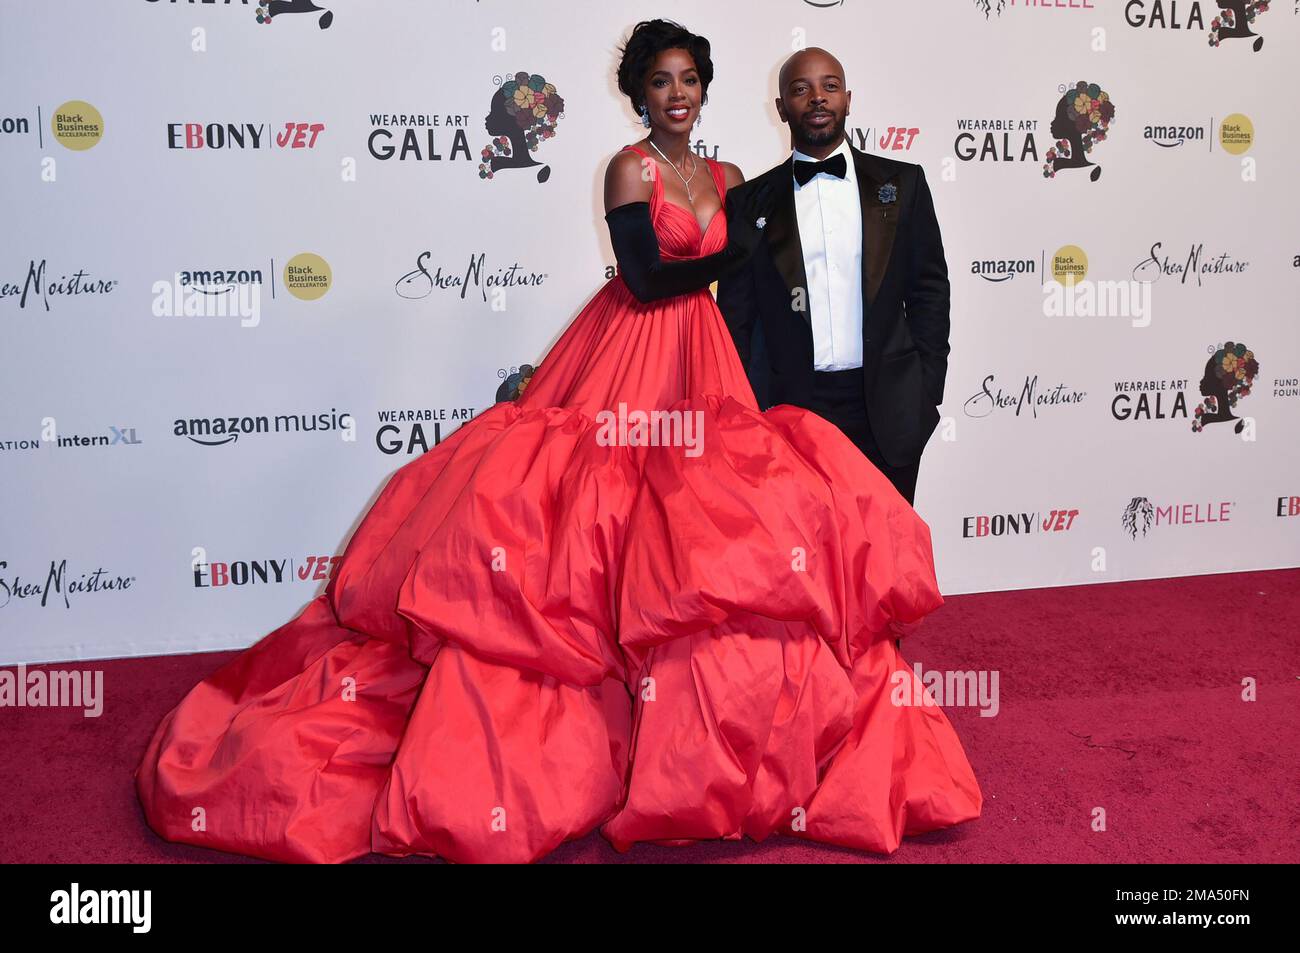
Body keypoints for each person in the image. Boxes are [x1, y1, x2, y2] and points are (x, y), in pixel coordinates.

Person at [135, 20, 980, 865]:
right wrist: (735, 262)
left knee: (702, 534)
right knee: (598, 521)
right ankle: (588, 743)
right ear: (639, 94)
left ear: (707, 89)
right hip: (634, 348)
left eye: (688, 79)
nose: (676, 94)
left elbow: (778, 289)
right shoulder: (629, 169)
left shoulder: (731, 178)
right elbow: (646, 279)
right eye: (660, 82)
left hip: (707, 358)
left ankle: (711, 752)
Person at [718, 48, 950, 506]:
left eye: (829, 86)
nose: (818, 98)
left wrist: (925, 389)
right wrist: (751, 411)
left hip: (887, 406)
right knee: (805, 560)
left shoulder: (904, 184)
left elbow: (929, 291)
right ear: (781, 107)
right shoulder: (748, 202)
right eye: (801, 89)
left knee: (886, 556)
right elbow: (736, 318)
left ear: (848, 99)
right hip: (790, 410)